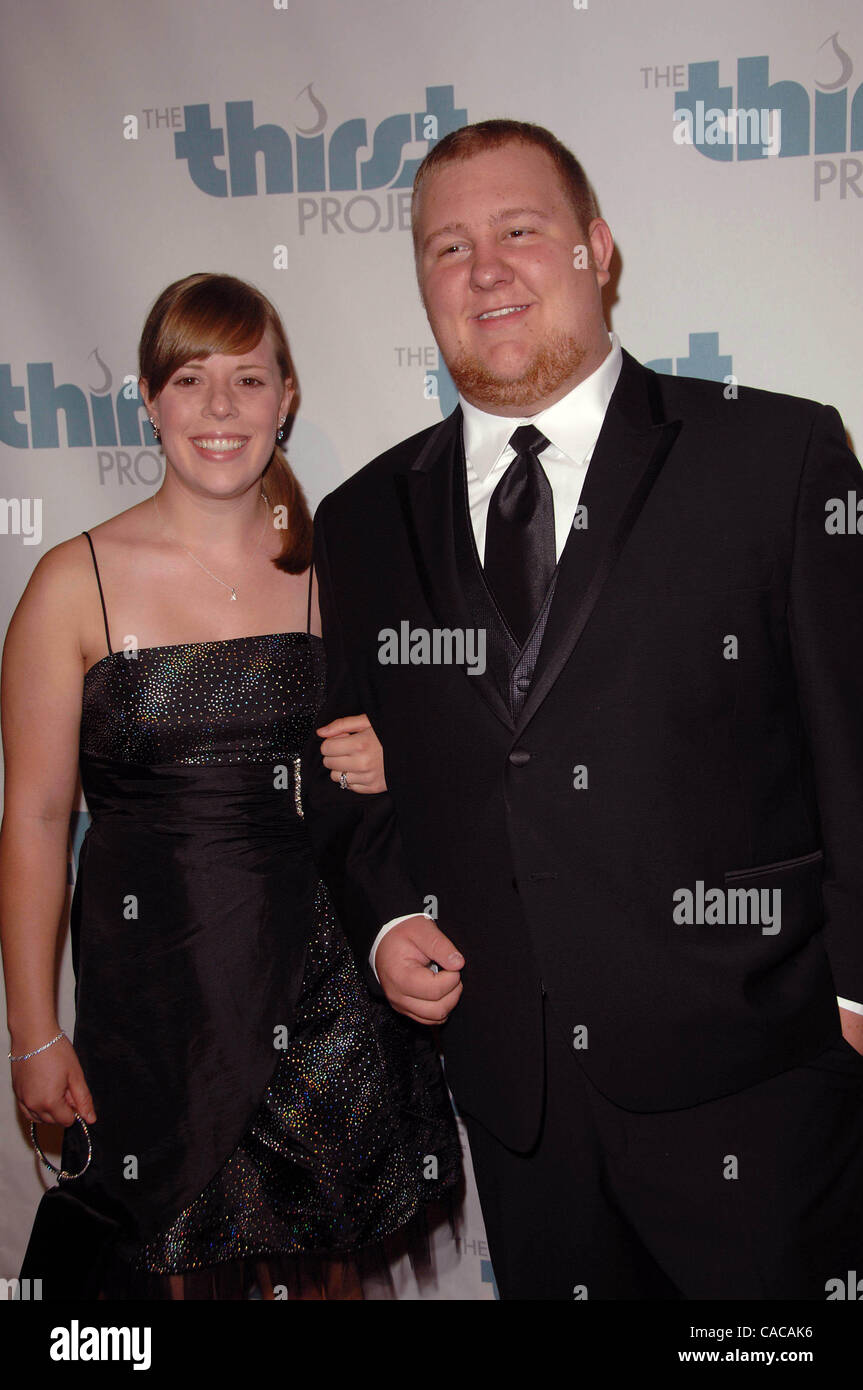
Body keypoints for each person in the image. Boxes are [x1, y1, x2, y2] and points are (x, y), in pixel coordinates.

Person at [306, 120, 863, 1300]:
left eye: (519, 231)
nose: (484, 269)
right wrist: (388, 912)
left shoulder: (775, 455)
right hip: (518, 1106)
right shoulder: (359, 521)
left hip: (754, 1077)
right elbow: (349, 771)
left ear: (595, 251)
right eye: (446, 248)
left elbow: (853, 739)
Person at [0, 272, 460, 1300]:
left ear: (286, 396)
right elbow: (32, 822)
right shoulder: (73, 583)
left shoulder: (341, 564)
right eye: (190, 379)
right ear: (148, 398)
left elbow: (453, 751)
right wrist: (33, 1030)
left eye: (246, 379)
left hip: (328, 999)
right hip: (157, 1011)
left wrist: (397, 759)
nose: (218, 408)